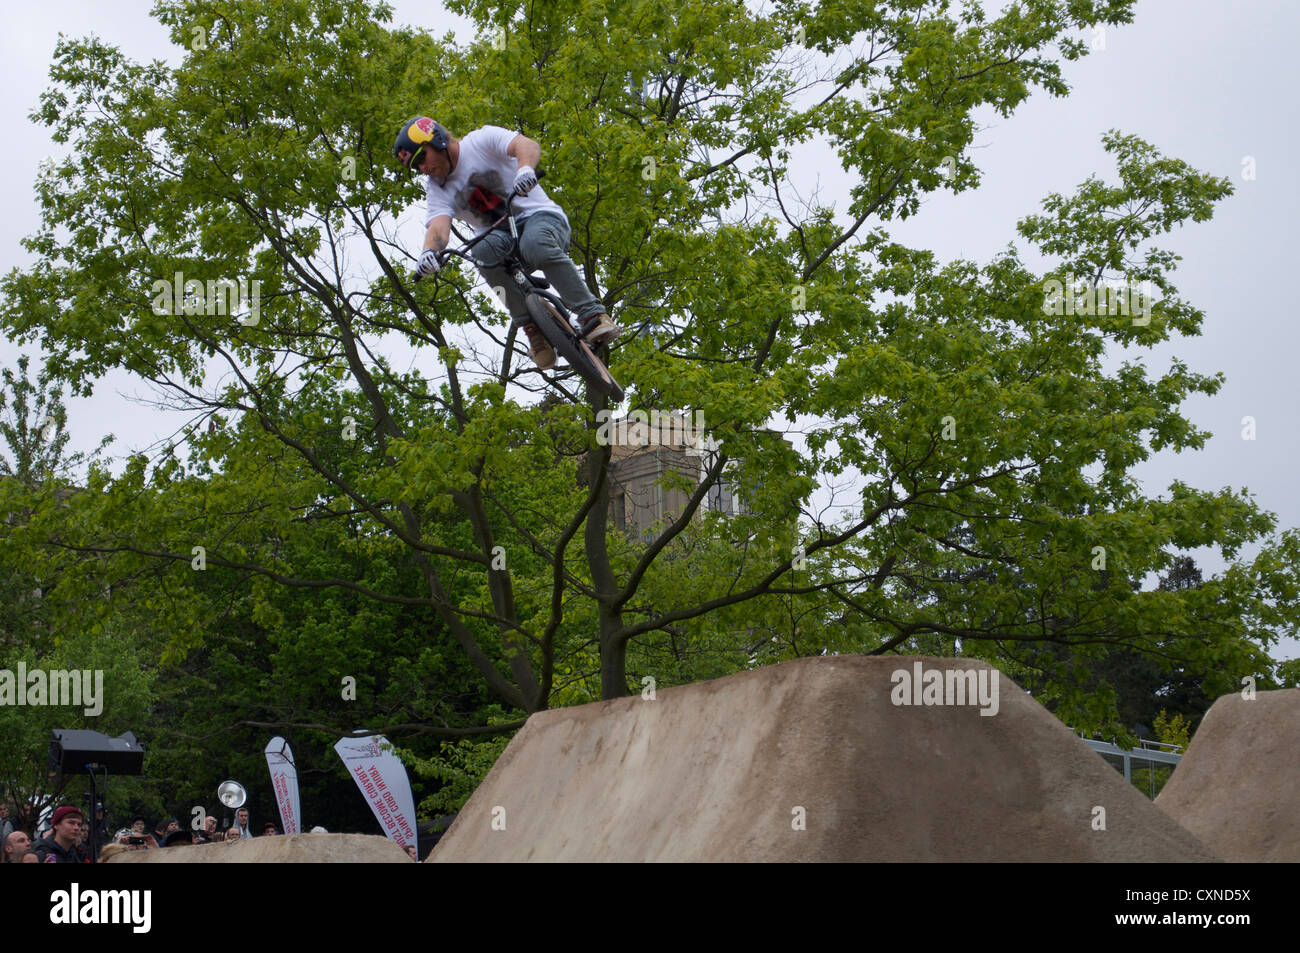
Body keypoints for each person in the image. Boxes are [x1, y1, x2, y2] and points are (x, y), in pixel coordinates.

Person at [395, 118, 621, 370]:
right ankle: (533, 327)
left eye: (422, 158)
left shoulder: (481, 141)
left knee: (534, 244)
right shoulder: (437, 188)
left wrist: (525, 168)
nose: (423, 168)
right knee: (480, 252)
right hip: (501, 240)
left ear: (437, 140)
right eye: (416, 167)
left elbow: (526, 145)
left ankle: (592, 313)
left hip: (540, 218)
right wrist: (429, 252)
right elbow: (438, 226)